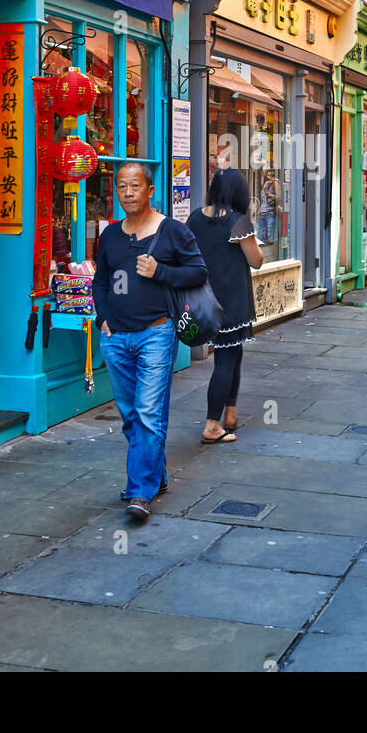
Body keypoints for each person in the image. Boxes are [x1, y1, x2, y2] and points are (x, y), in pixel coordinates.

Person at [92, 162, 208, 521]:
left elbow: (199, 272)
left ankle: (139, 492)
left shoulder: (172, 231)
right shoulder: (110, 236)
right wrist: (103, 318)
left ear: (150, 190)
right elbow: (100, 281)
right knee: (130, 416)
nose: (128, 192)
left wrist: (160, 271)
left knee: (148, 413)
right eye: (122, 187)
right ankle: (155, 476)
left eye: (135, 186)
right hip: (116, 338)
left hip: (156, 334)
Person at [187, 169, 264, 446]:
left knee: (234, 353)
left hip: (203, 301)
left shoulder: (195, 217)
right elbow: (256, 261)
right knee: (225, 361)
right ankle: (212, 424)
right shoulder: (238, 222)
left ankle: (230, 414)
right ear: (239, 193)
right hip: (231, 301)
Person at [257, 167, 280, 245]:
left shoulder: (275, 182)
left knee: (270, 238)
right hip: (263, 213)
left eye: (264, 171)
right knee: (260, 238)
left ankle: (270, 255)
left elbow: (279, 197)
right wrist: (260, 209)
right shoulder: (266, 183)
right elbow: (264, 199)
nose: (263, 173)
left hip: (271, 213)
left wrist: (268, 193)